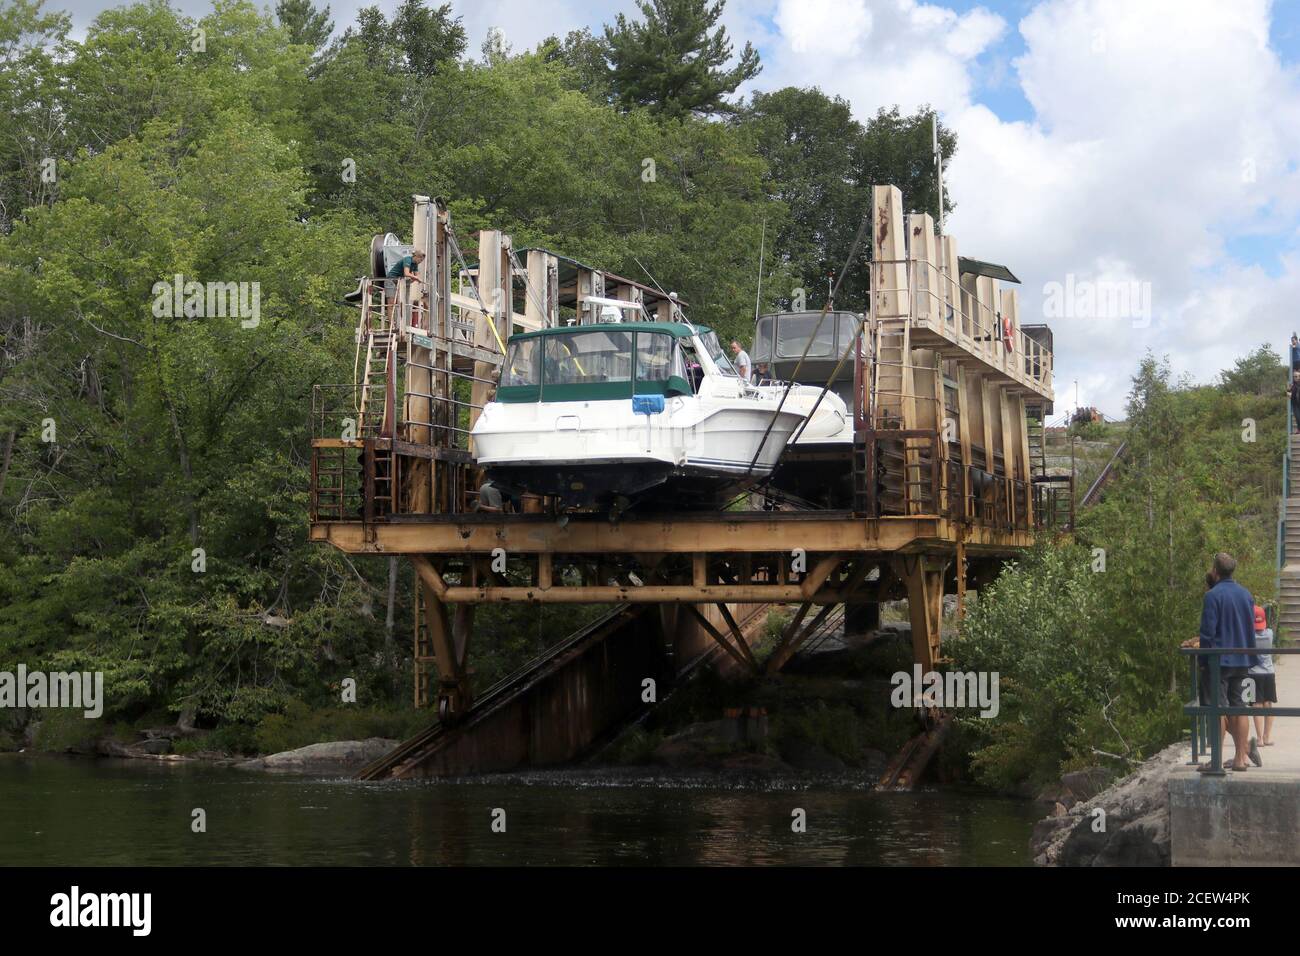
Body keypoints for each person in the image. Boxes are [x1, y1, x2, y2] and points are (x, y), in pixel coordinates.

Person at [1182, 552, 1261, 771]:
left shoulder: (1213, 596)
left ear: (1215, 572)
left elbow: (1207, 633)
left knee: (1216, 709)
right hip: (1242, 658)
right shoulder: (1246, 594)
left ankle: (1216, 760)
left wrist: (1204, 661)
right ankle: (1239, 759)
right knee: (1239, 707)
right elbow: (1248, 627)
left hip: (1220, 662)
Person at [1249, 604, 1277, 748]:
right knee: (1268, 704)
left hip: (1253, 673)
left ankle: (1259, 738)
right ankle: (1267, 736)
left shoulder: (1249, 636)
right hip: (1269, 672)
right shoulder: (1270, 634)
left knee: (1256, 704)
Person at [385, 248, 425, 326]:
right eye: (420, 260)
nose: (420, 262)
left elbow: (416, 276)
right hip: (391, 279)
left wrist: (416, 279)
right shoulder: (408, 259)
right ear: (416, 257)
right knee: (391, 303)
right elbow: (406, 273)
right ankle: (391, 324)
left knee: (402, 302)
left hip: (400, 281)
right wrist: (416, 278)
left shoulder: (415, 264)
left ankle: (401, 323)